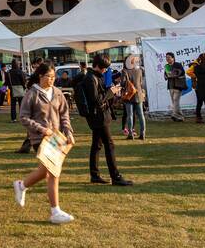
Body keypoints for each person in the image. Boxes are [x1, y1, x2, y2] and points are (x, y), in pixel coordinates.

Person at [14, 61, 78, 224]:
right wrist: (42, 129)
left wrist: (68, 131)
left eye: (53, 76)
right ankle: (55, 211)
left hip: (56, 138)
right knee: (53, 172)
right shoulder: (32, 94)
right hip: (39, 138)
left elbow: (64, 115)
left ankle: (21, 185)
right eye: (48, 77)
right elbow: (23, 117)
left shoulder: (57, 93)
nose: (51, 80)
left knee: (46, 172)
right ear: (40, 76)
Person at [74, 53, 133, 186]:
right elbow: (97, 100)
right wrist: (111, 92)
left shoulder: (95, 76)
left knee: (97, 145)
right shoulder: (90, 78)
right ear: (97, 66)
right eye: (104, 67)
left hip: (99, 116)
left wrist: (112, 90)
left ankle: (95, 175)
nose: (105, 70)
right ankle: (115, 177)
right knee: (109, 145)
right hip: (98, 117)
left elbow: (100, 96)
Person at [121, 53, 147, 140]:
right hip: (138, 94)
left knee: (130, 115)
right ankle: (143, 133)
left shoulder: (124, 71)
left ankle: (130, 134)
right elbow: (140, 82)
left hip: (129, 95)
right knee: (141, 115)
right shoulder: (139, 70)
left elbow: (123, 84)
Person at [164, 52, 186, 121]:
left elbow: (182, 72)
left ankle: (174, 114)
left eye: (169, 57)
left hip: (178, 85)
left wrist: (174, 73)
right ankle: (180, 116)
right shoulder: (167, 66)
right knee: (174, 101)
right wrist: (166, 75)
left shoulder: (178, 64)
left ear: (173, 58)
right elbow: (165, 75)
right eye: (166, 57)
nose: (167, 59)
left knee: (176, 100)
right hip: (170, 85)